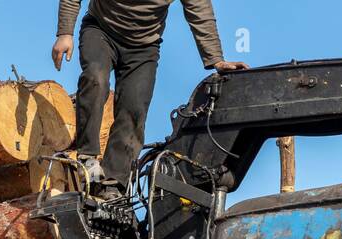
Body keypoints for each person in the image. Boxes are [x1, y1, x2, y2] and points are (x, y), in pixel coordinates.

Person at [52, 1, 248, 198]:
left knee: (134, 108)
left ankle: (113, 183)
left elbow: (199, 10)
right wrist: (64, 33)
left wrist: (216, 59)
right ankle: (88, 159)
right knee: (96, 80)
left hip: (144, 47)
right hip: (100, 30)